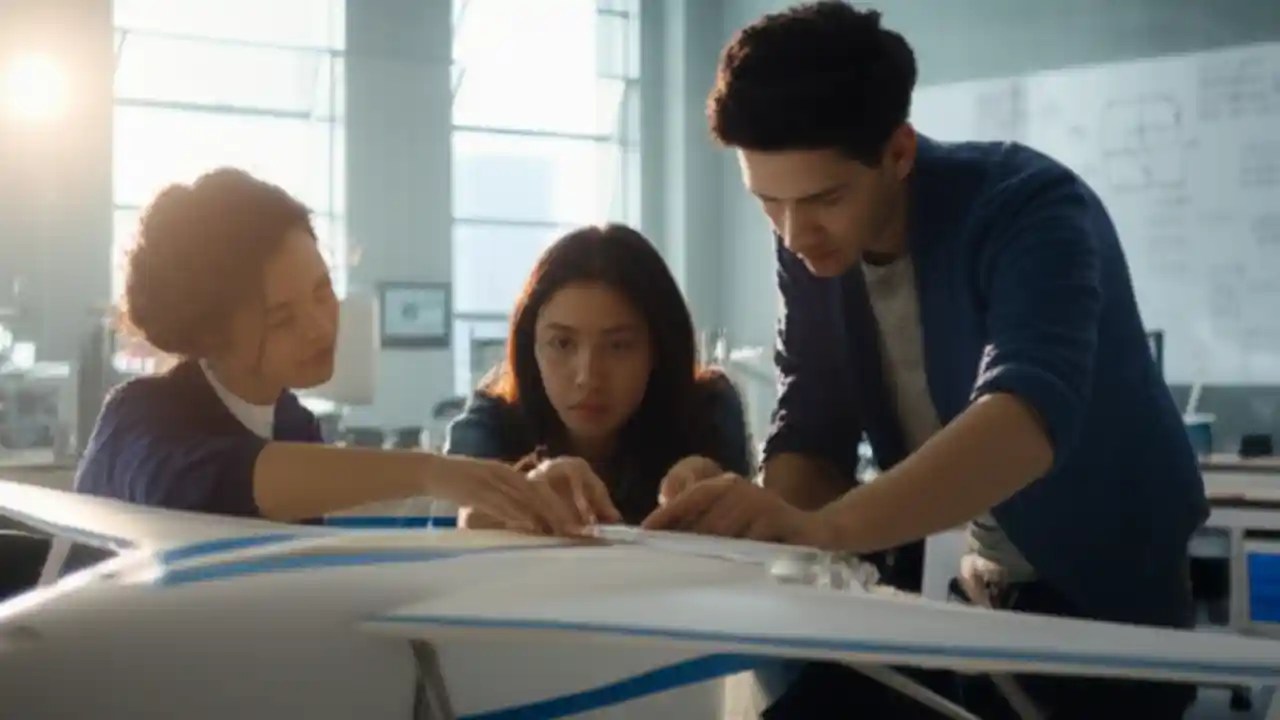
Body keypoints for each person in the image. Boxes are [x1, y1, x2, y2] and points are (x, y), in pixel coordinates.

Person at [644, 3, 1208, 718]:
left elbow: (1024, 420)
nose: (793, 234)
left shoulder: (1030, 208)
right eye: (767, 202)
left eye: (822, 199)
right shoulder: (812, 242)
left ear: (900, 152)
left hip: (1108, 591)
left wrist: (825, 529)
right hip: (964, 587)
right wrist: (754, 518)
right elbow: (813, 426)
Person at [76, 168, 578, 534]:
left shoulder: (293, 423)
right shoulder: (139, 418)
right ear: (211, 334)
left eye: (322, 290)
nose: (320, 327)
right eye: (281, 318)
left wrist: (508, 497)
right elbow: (224, 483)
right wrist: (432, 471)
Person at [444, 223, 753, 528]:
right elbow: (471, 517)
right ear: (530, 347)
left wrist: (716, 491)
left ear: (658, 350)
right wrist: (524, 496)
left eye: (618, 346)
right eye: (562, 343)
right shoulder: (492, 420)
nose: (588, 377)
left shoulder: (709, 411)